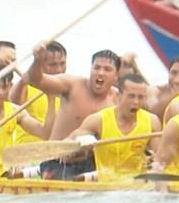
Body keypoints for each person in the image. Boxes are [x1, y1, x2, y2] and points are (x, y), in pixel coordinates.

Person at [26, 47, 121, 179]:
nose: (100, 73)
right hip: (57, 160)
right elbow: (34, 80)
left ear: (117, 75)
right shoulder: (72, 85)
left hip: (93, 163)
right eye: (96, 67)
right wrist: (37, 60)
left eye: (107, 69)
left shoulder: (119, 100)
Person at [68, 74, 162, 180]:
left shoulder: (152, 121)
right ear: (118, 96)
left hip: (136, 186)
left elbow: (160, 157)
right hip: (105, 185)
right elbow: (74, 137)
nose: (136, 102)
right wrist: (82, 138)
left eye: (140, 97)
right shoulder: (98, 120)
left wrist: (155, 162)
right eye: (131, 96)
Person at [11, 41, 66, 144]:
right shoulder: (27, 86)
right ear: (41, 65)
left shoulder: (68, 90)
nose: (59, 69)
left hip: (56, 152)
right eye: (52, 65)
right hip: (28, 153)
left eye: (62, 63)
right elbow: (13, 102)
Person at [146, 55, 179, 120]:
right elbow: (152, 113)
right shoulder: (154, 91)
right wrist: (174, 95)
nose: (176, 80)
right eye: (173, 73)